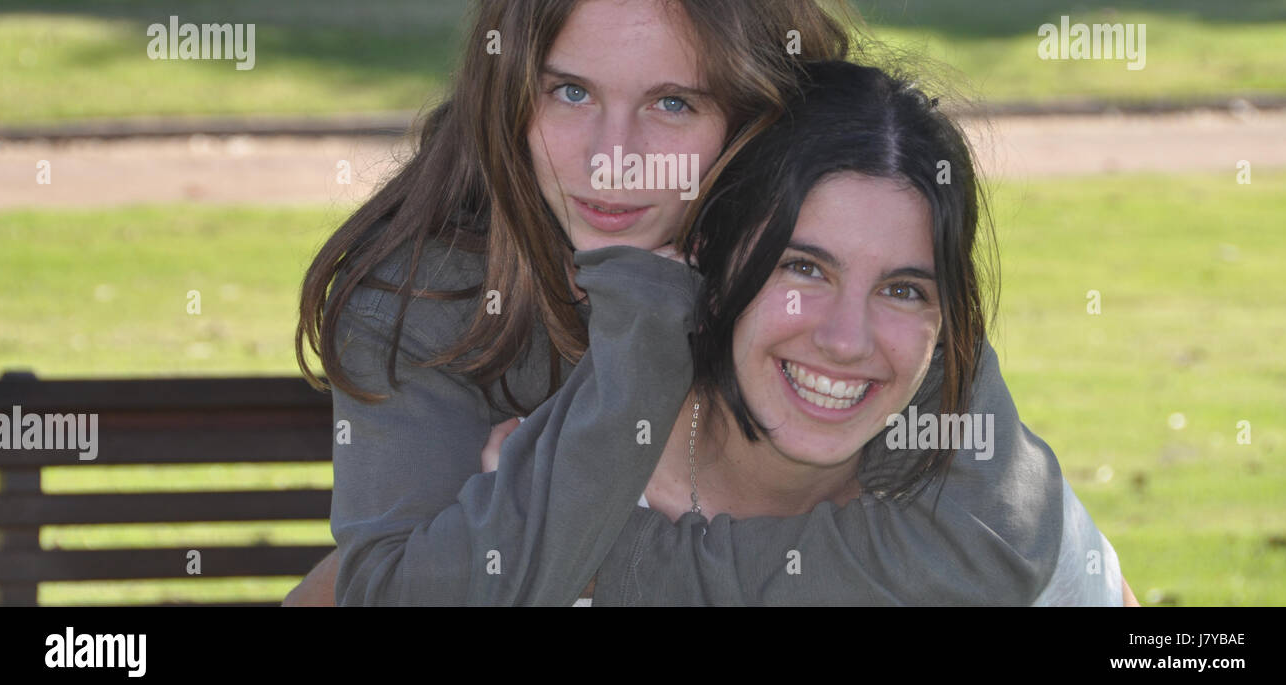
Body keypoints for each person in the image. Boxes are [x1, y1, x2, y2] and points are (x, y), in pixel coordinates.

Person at [285, 0, 1069, 606]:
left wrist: (611, 565)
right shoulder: (424, 293)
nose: (613, 159)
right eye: (569, 92)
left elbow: (989, 549)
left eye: (672, 104)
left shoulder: (836, 245)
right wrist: (643, 339)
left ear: (756, 118)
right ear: (509, 92)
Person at [484, 60, 1134, 605]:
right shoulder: (546, 507)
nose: (847, 340)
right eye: (803, 268)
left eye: (903, 290)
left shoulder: (998, 529)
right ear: (710, 259)